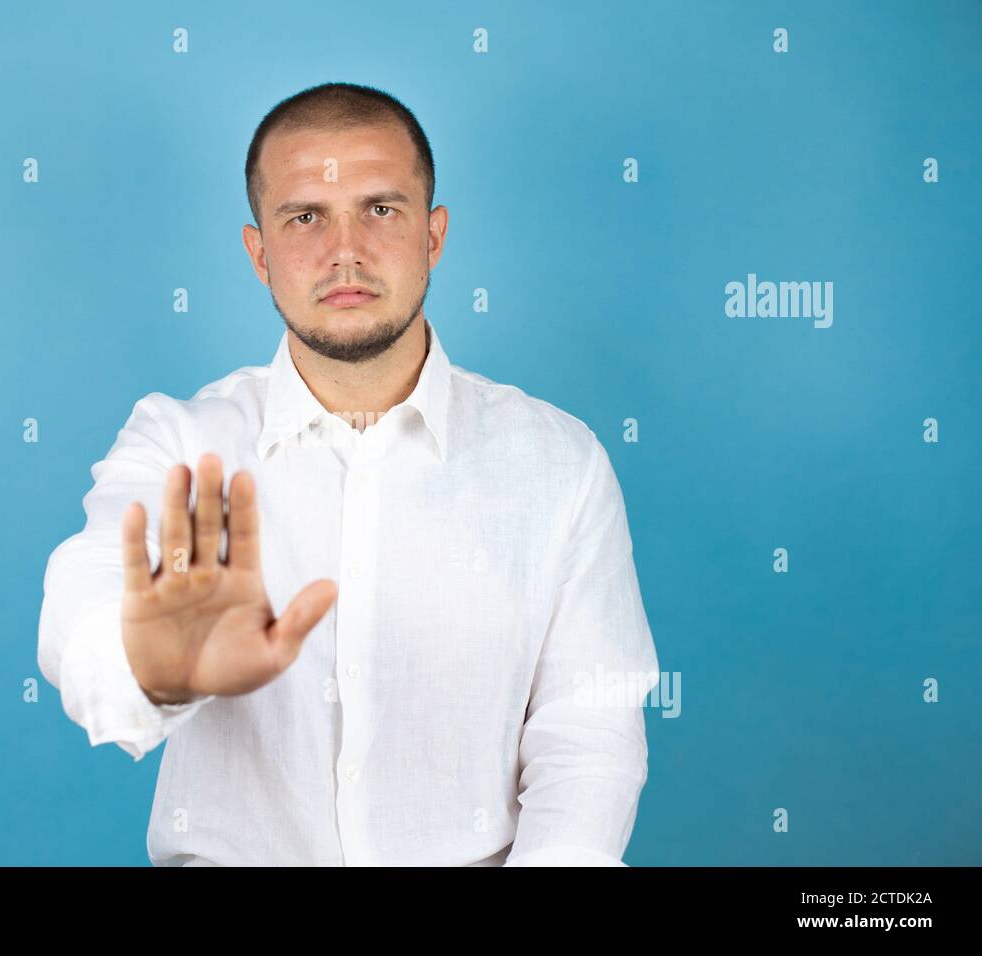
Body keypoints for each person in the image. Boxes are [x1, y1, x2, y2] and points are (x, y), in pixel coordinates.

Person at [37, 81, 660, 866]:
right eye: (306, 217)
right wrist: (151, 667)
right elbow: (82, 599)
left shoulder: (560, 464)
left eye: (381, 209)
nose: (346, 252)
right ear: (258, 252)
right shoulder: (180, 442)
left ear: (434, 236)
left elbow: (588, 732)